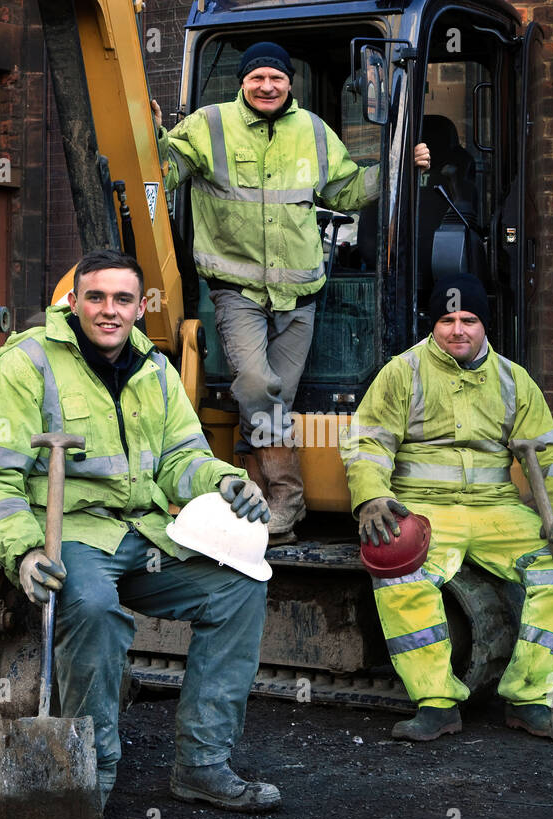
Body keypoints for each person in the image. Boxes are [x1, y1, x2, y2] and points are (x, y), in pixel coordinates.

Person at [0, 249, 281, 812]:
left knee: (239, 588)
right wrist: (27, 552)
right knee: (91, 605)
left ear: (139, 306)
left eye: (123, 299)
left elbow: (183, 459)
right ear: (75, 301)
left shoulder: (154, 369)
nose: (110, 311)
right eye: (97, 297)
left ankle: (202, 764)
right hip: (69, 533)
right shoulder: (27, 365)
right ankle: (91, 772)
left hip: (147, 533)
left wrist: (224, 480)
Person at [152, 41, 430, 541]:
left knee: (274, 401)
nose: (266, 86)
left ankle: (254, 495)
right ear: (243, 82)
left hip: (299, 297)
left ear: (289, 83)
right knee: (258, 387)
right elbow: (164, 173)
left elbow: (344, 191)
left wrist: (398, 168)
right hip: (237, 293)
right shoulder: (209, 125)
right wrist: (149, 135)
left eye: (275, 78)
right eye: (257, 77)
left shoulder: (313, 132)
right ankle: (289, 497)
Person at [340, 273, 553, 741]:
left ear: (484, 325)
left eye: (469, 320)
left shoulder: (514, 381)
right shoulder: (403, 371)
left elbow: (550, 459)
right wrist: (371, 497)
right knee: (397, 567)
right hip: (426, 510)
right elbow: (368, 442)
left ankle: (529, 696)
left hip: (497, 510)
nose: (458, 329)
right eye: (447, 319)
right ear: (433, 325)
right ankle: (437, 702)